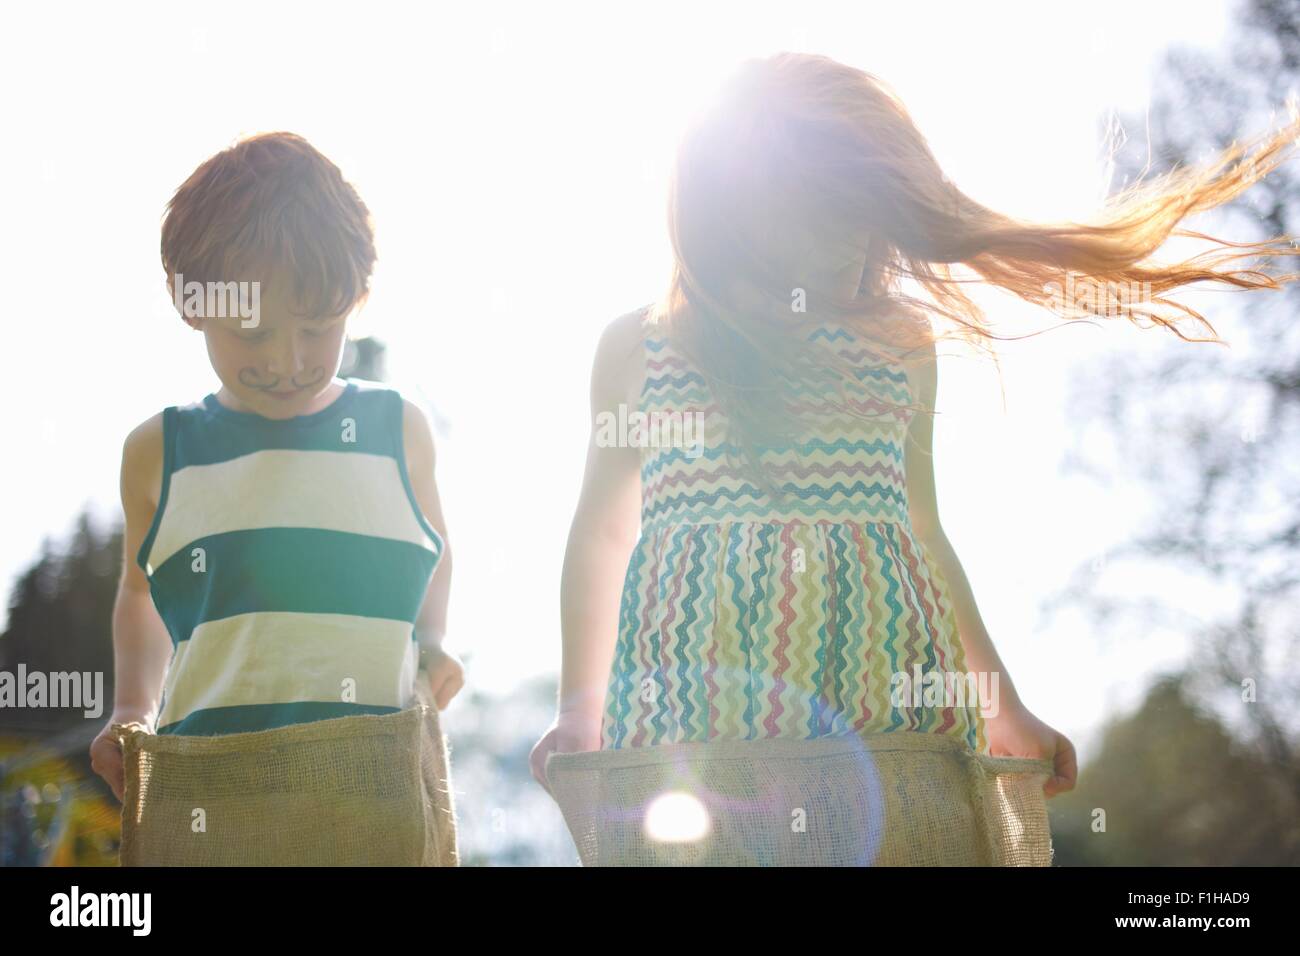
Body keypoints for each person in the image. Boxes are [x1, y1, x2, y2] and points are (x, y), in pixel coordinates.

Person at [531, 51, 1300, 811]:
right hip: (698, 713)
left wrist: (1002, 706)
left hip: (880, 703)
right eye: (832, 216)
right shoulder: (645, 345)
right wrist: (578, 709)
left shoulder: (898, 341)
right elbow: (603, 531)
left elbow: (923, 532)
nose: (856, 245)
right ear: (738, 203)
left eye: (870, 223)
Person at [90, 132, 463, 801]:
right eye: (254, 333)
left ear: (359, 298)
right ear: (190, 303)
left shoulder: (396, 430)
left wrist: (433, 639)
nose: (288, 362)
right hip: (211, 792)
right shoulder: (158, 452)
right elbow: (140, 590)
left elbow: (434, 552)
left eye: (317, 327)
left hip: (376, 798)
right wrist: (130, 709)